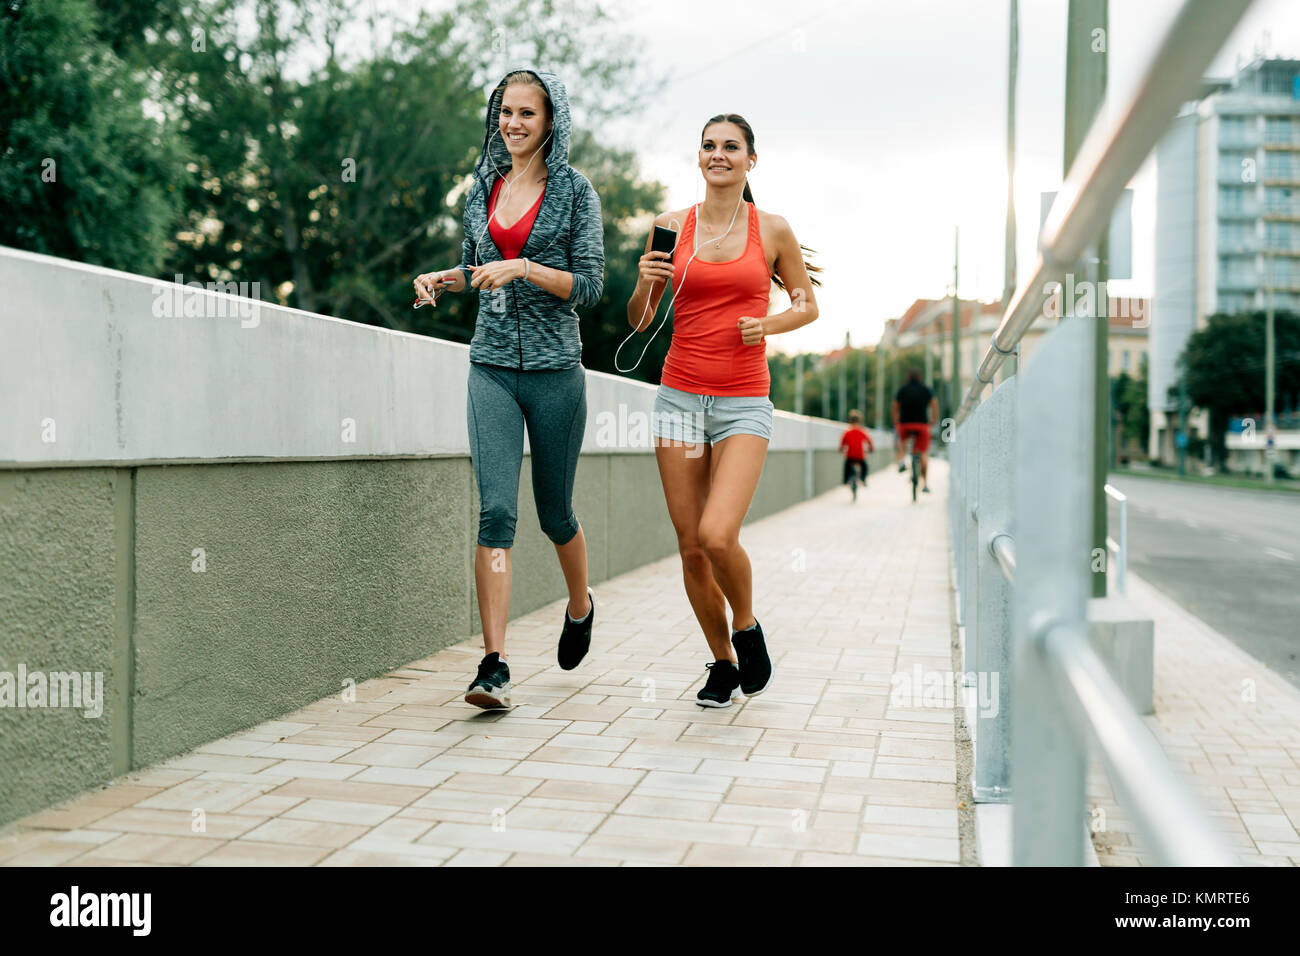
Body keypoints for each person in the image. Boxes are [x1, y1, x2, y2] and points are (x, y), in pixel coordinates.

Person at [413, 68, 604, 709]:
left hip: (556, 373)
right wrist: (444, 278)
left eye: (528, 113)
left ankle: (579, 605)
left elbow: (591, 286)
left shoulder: (577, 193)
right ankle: (492, 664)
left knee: (555, 515)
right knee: (496, 511)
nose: (514, 123)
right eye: (505, 111)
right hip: (491, 365)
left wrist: (526, 267)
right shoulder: (482, 187)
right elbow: (478, 268)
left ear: (552, 121)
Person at [626, 113, 821, 707]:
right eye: (709, 146)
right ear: (700, 157)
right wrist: (643, 281)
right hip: (680, 399)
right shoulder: (669, 226)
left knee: (717, 533)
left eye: (730, 147)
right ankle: (721, 663)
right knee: (689, 545)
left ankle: (747, 624)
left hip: (742, 404)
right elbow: (639, 321)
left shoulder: (774, 230)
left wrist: (768, 322)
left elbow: (807, 305)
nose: (718, 155)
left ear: (750, 160)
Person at [893, 368, 938, 493]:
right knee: (923, 452)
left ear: (908, 377)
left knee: (901, 441)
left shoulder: (902, 389)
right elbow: (934, 403)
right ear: (920, 377)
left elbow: (895, 405)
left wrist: (896, 421)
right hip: (922, 425)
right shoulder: (926, 389)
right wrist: (934, 419)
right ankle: (925, 484)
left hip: (905, 424)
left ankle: (901, 461)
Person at [839, 410, 874, 500]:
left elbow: (842, 444)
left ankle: (845, 480)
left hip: (850, 456)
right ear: (860, 422)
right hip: (860, 456)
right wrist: (871, 449)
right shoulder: (862, 432)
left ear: (850, 422)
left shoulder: (847, 432)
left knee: (846, 467)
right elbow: (869, 442)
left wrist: (841, 449)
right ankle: (863, 479)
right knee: (865, 467)